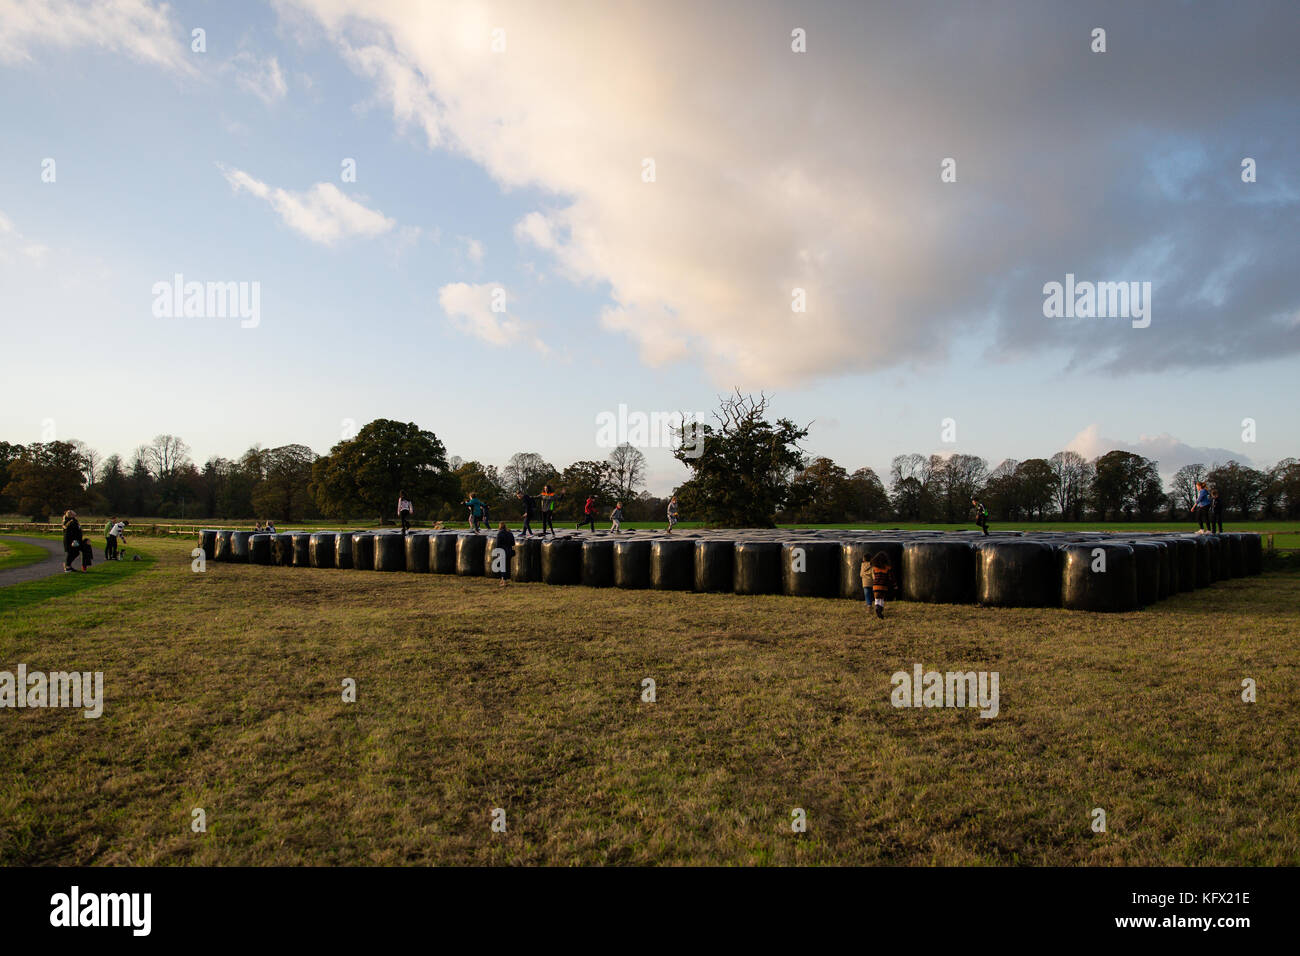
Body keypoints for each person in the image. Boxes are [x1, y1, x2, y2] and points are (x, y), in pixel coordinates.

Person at [861, 550, 898, 619]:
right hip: (883, 586)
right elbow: (891, 578)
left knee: (877, 598)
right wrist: (894, 585)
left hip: (875, 586)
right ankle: (880, 609)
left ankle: (877, 607)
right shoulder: (887, 568)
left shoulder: (875, 568)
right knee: (881, 598)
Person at [491, 521, 515, 588]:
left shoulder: (499, 534)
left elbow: (498, 544)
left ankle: (504, 581)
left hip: (502, 551)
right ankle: (503, 580)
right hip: (509, 551)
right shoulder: (510, 533)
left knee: (502, 567)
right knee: (507, 566)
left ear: (500, 526)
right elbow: (513, 543)